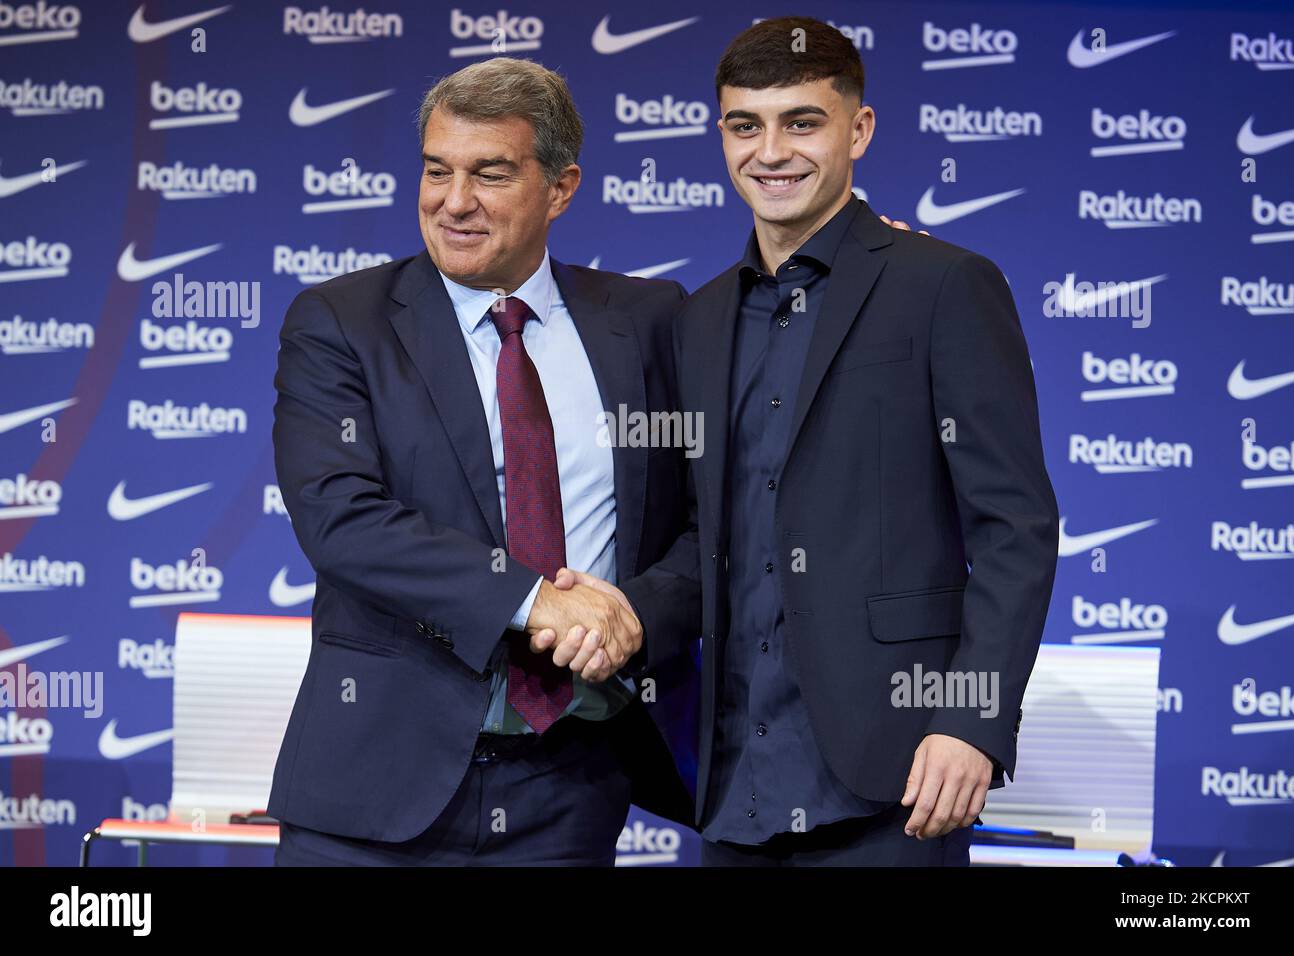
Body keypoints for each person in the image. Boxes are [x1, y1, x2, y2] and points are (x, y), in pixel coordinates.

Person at [555, 16, 1060, 866]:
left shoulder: (946, 286)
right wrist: (624, 609)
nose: (771, 151)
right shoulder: (700, 318)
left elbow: (1015, 529)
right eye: (746, 125)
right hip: (731, 782)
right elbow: (702, 538)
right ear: (721, 135)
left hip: (898, 776)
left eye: (802, 122)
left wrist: (972, 722)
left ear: (857, 129)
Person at [267, 57, 695, 866]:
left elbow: (718, 522)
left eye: (490, 173)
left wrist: (631, 614)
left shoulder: (651, 323)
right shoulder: (340, 322)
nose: (453, 202)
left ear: (561, 188)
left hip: (571, 790)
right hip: (372, 791)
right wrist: (534, 600)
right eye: (437, 171)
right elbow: (341, 519)